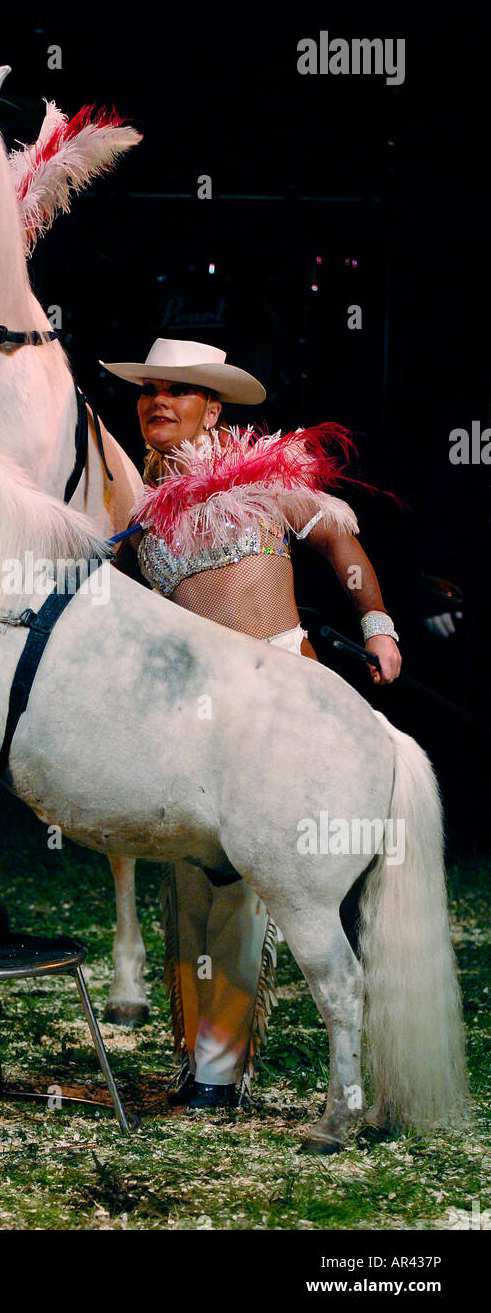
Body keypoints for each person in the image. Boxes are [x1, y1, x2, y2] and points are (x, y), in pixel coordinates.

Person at [102, 338, 402, 1108]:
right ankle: (198, 1055)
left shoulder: (265, 481)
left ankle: (217, 1074)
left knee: (243, 885)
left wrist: (377, 623)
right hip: (189, 721)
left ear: (215, 407)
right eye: (148, 391)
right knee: (188, 889)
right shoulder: (139, 513)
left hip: (276, 705)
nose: (157, 401)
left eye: (178, 391)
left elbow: (339, 540)